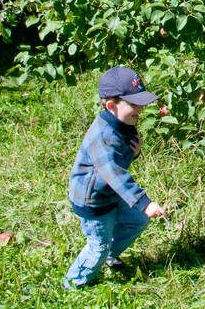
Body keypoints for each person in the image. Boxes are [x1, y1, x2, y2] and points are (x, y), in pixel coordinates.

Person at [62, 66, 167, 289]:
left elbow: (118, 161)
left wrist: (135, 152)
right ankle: (72, 283)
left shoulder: (122, 124)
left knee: (138, 220)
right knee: (96, 246)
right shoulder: (103, 136)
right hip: (93, 200)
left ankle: (109, 254)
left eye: (141, 102)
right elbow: (114, 172)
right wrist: (143, 202)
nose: (140, 109)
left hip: (109, 191)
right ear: (111, 105)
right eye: (133, 104)